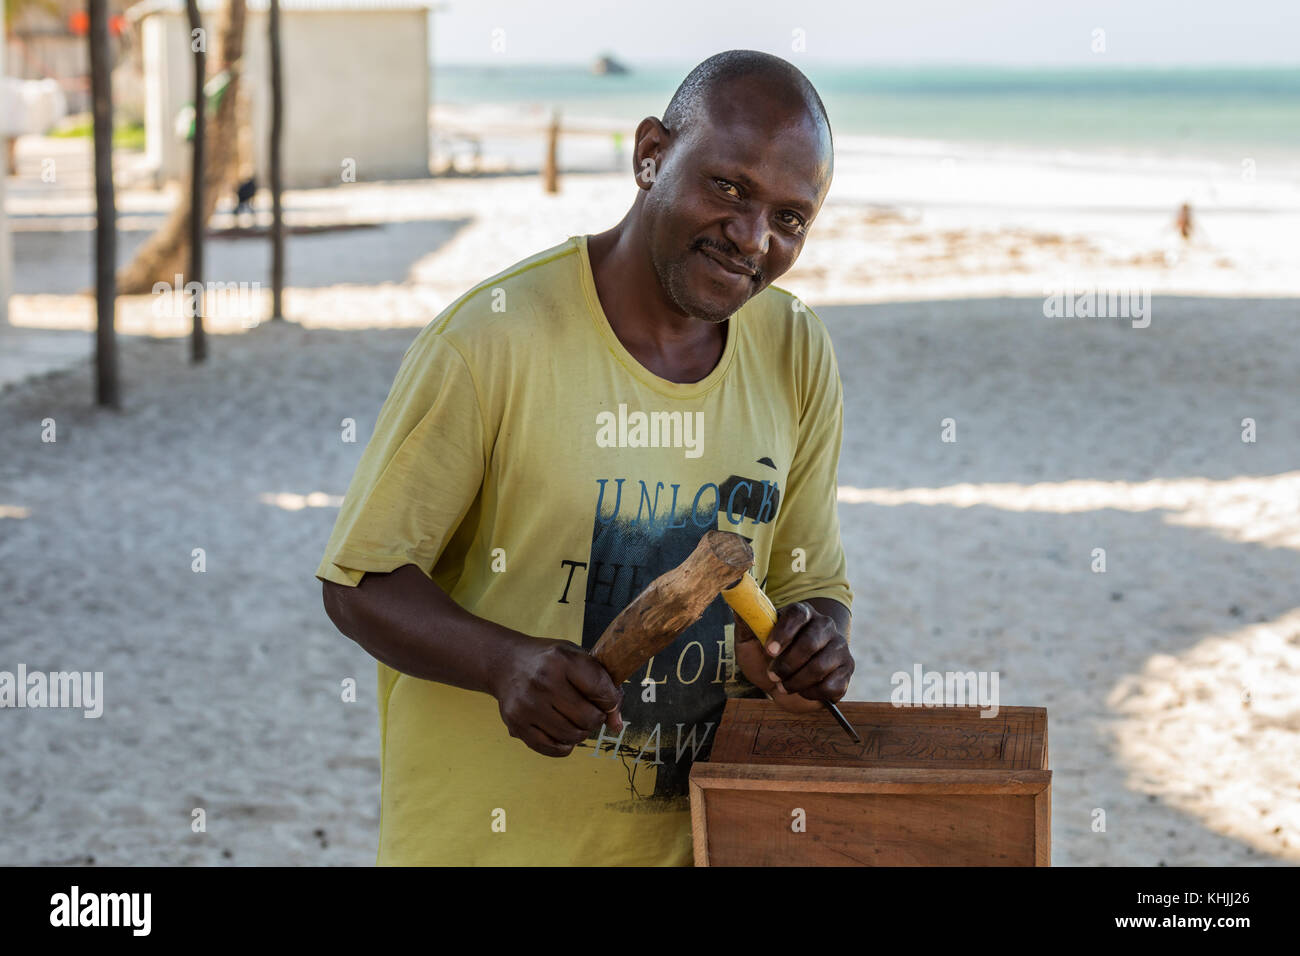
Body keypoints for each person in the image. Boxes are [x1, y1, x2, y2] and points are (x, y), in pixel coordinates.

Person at [317, 49, 854, 866]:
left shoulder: (794, 349)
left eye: (790, 219)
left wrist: (812, 641)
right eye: (729, 187)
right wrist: (504, 663)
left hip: (701, 845)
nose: (752, 239)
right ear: (650, 155)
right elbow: (359, 581)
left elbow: (812, 581)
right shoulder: (493, 339)